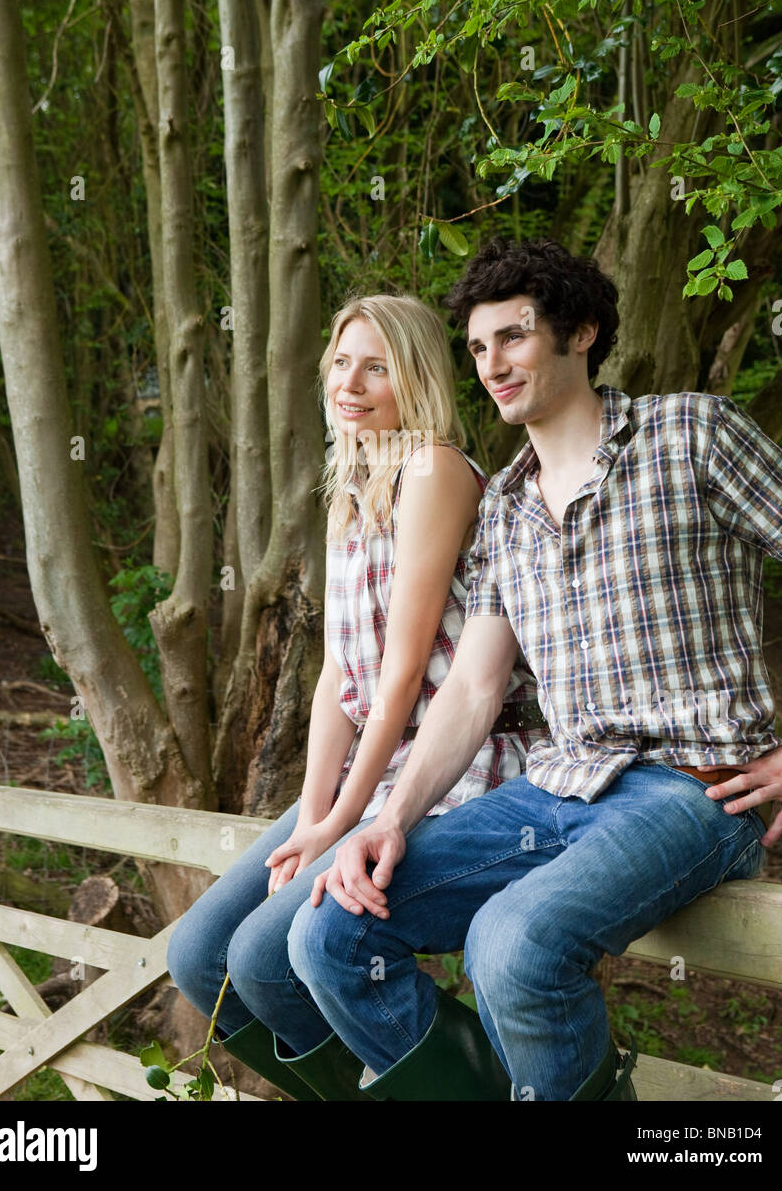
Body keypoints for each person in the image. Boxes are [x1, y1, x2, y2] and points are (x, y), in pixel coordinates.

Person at [287, 236, 782, 1102]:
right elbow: (472, 688)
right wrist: (391, 818)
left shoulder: (694, 436)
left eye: (515, 337)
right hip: (558, 787)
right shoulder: (503, 505)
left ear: (583, 334)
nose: (492, 364)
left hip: (693, 789)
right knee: (329, 934)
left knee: (513, 941)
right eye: (479, 347)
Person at [166, 292, 545, 1101]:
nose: (352, 381)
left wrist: (341, 825)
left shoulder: (433, 471)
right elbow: (343, 678)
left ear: (416, 378)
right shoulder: (351, 489)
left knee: (269, 957)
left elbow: (405, 674)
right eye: (341, 362)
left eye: (377, 366)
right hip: (369, 767)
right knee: (199, 957)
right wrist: (313, 815)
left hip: (452, 765)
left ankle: (482, 1093)